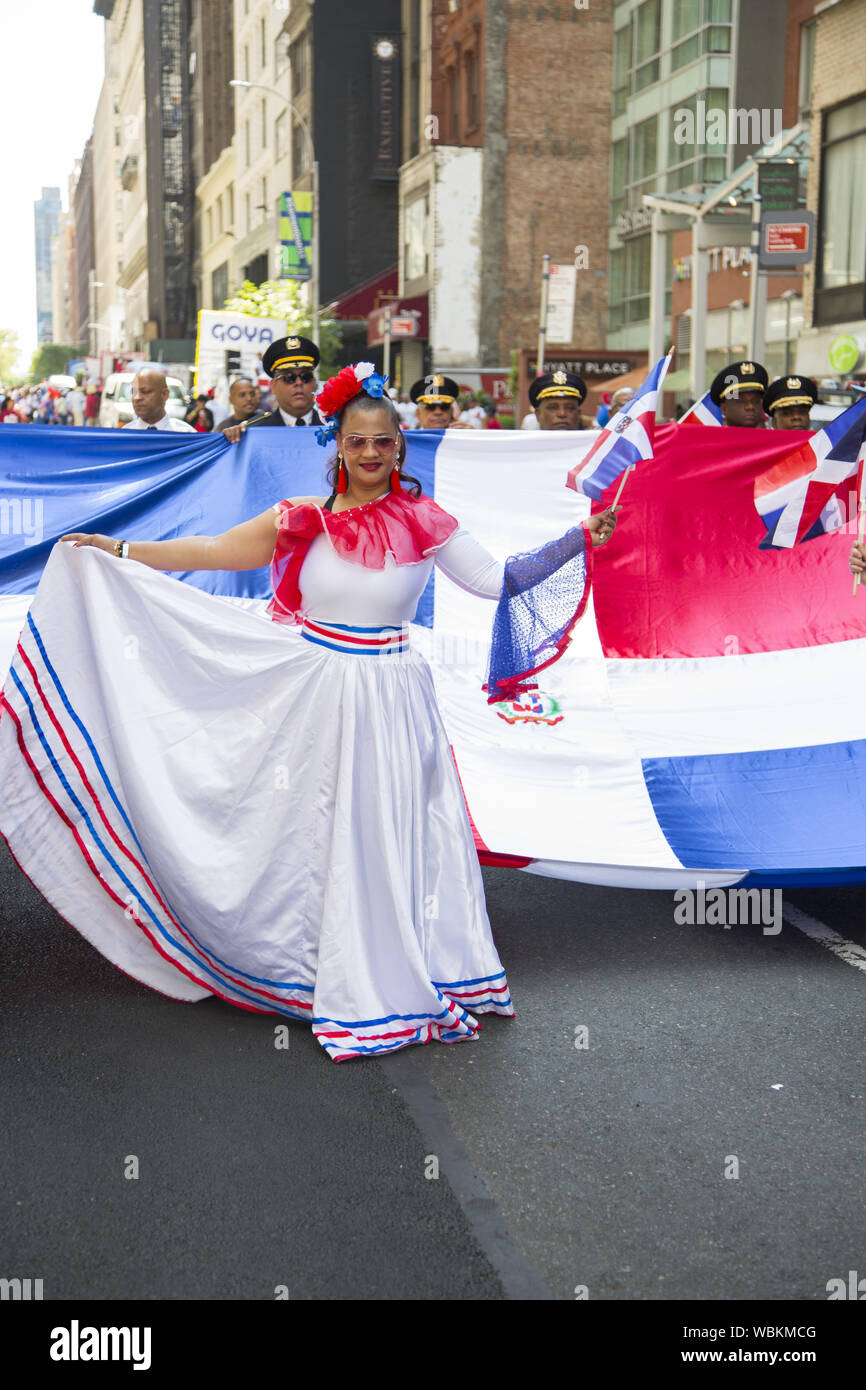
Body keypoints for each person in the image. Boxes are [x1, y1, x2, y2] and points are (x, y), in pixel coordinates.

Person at [33, 363, 616, 1062]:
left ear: (400, 447)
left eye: (383, 443)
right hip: (314, 692)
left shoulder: (427, 522)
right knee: (306, 835)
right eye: (358, 443)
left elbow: (499, 581)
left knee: (385, 835)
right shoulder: (302, 520)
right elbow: (213, 550)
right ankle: (309, 964)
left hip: (394, 702)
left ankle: (388, 968)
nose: (370, 455)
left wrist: (581, 538)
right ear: (337, 446)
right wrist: (120, 551)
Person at [124, 370, 197, 432]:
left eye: (145, 391)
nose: (137, 398)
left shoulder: (185, 434)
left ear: (165, 394)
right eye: (134, 392)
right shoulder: (123, 437)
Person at [709, 360, 769, 427]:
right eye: (741, 401)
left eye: (756, 401)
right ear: (724, 408)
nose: (750, 407)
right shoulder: (711, 437)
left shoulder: (776, 437)